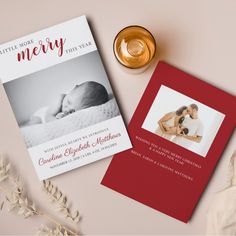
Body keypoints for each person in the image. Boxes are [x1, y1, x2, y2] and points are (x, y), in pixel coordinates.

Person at [25, 81, 109, 126]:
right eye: (69, 102)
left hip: (50, 118)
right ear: (72, 89)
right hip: (42, 115)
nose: (67, 109)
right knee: (35, 123)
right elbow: (48, 117)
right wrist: (59, 120)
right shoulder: (60, 98)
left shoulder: (74, 113)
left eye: (72, 111)